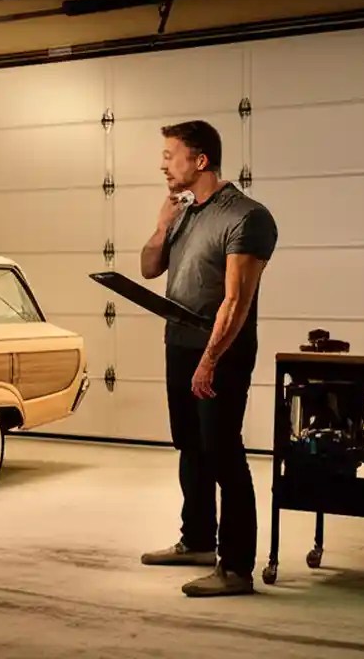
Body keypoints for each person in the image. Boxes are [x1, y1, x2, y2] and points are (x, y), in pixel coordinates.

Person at [138, 120, 277, 597]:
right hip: (177, 342)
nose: (162, 162)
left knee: (222, 452)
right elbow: (149, 267)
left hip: (221, 349)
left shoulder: (247, 216)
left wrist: (210, 360)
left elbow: (236, 301)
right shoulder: (185, 213)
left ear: (200, 160)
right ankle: (196, 540)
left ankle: (236, 567)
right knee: (190, 447)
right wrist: (162, 226)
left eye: (169, 154)